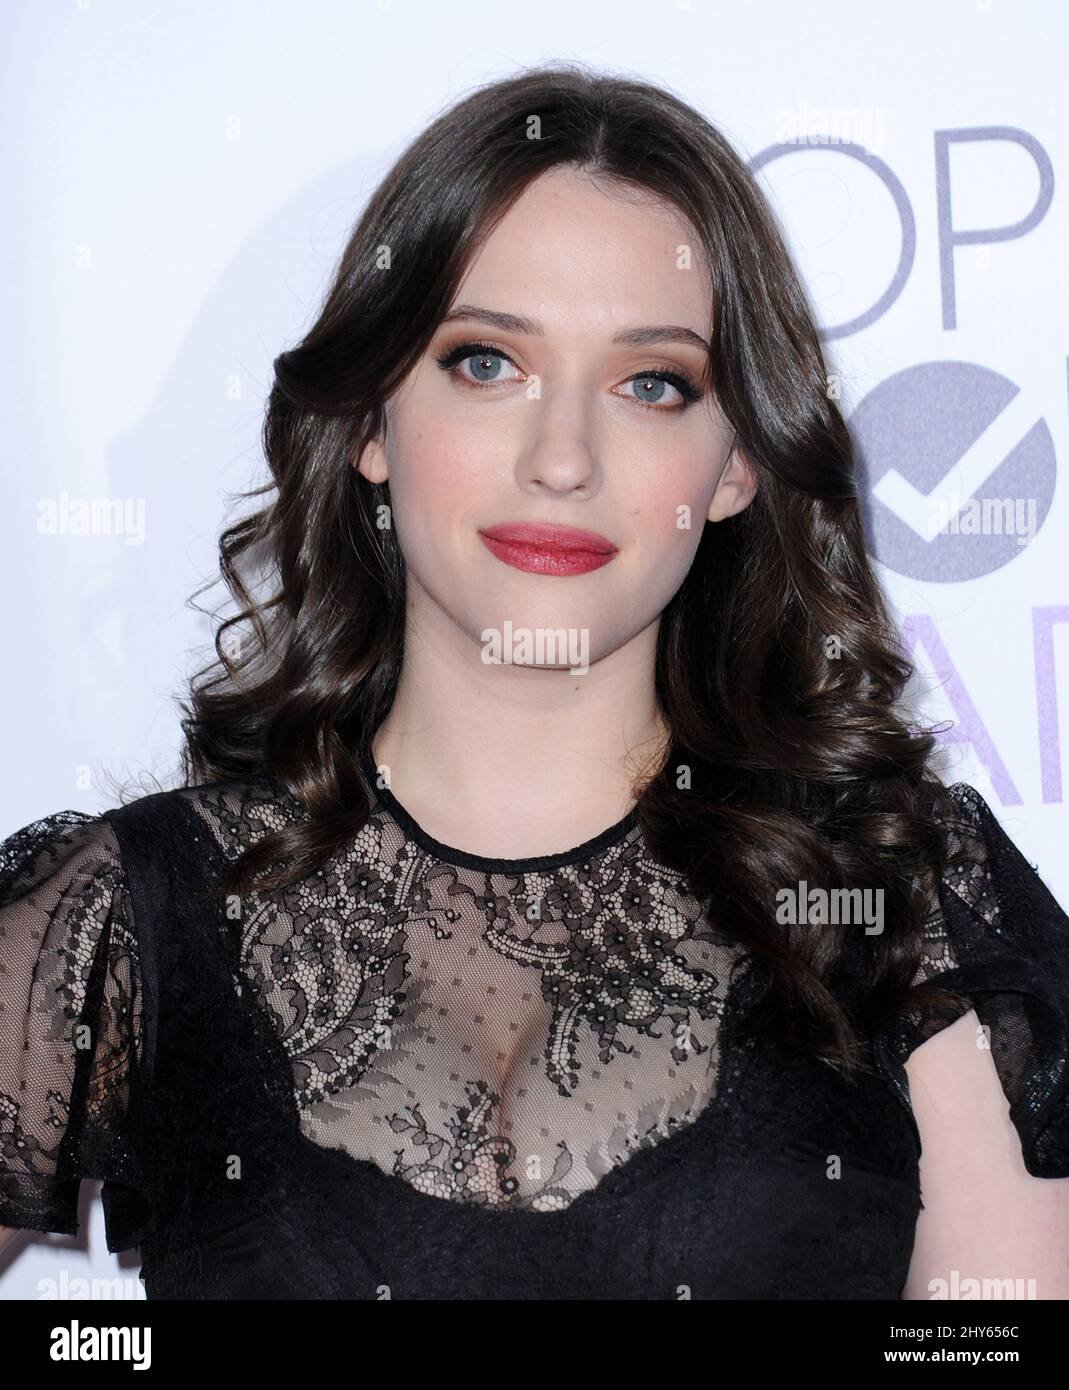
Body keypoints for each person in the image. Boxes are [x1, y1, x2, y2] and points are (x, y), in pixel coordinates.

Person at [2, 64, 1068, 1301]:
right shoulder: (131, 921)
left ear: (734, 465)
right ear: (367, 424)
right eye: (485, 363)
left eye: (651, 383)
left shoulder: (892, 893)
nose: (562, 457)